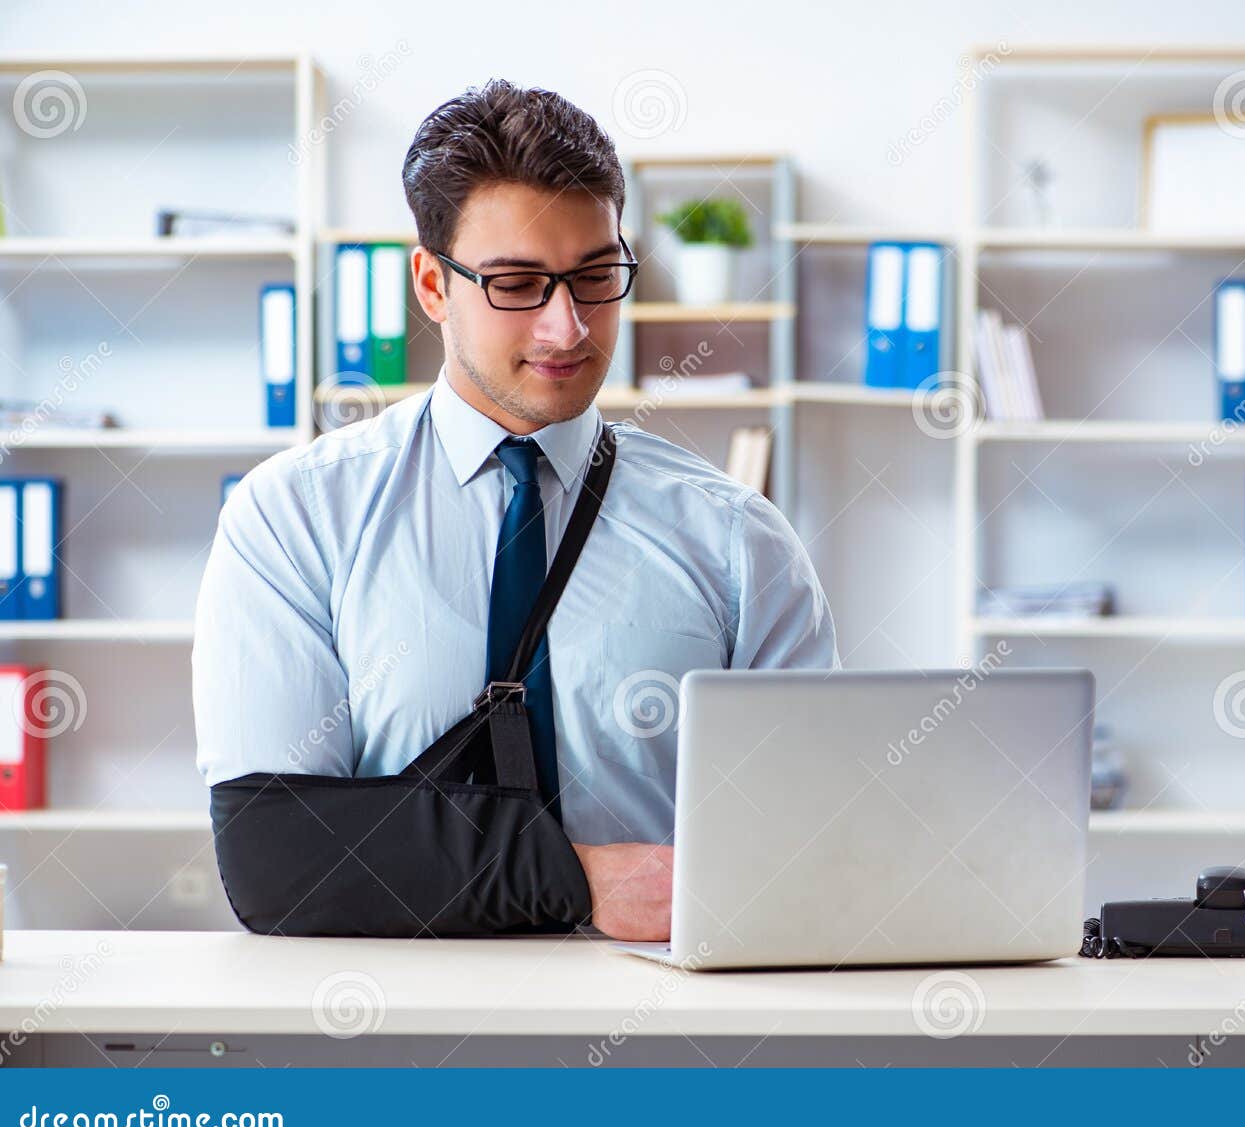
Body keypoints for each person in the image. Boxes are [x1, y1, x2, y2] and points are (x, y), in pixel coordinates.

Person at [194, 80, 838, 941]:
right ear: (433, 284)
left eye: (596, 277)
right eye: (518, 284)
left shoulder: (735, 539)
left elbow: (809, 842)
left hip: (664, 1019)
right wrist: (577, 881)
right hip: (387, 1016)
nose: (567, 328)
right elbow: (276, 855)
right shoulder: (295, 519)